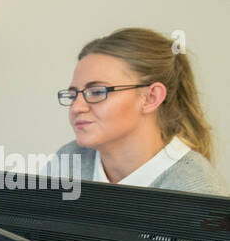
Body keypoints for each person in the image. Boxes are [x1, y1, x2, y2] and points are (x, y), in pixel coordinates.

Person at [48, 27, 227, 195]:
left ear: (151, 97)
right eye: (73, 95)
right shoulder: (69, 160)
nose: (76, 107)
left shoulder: (197, 189)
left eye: (97, 92)